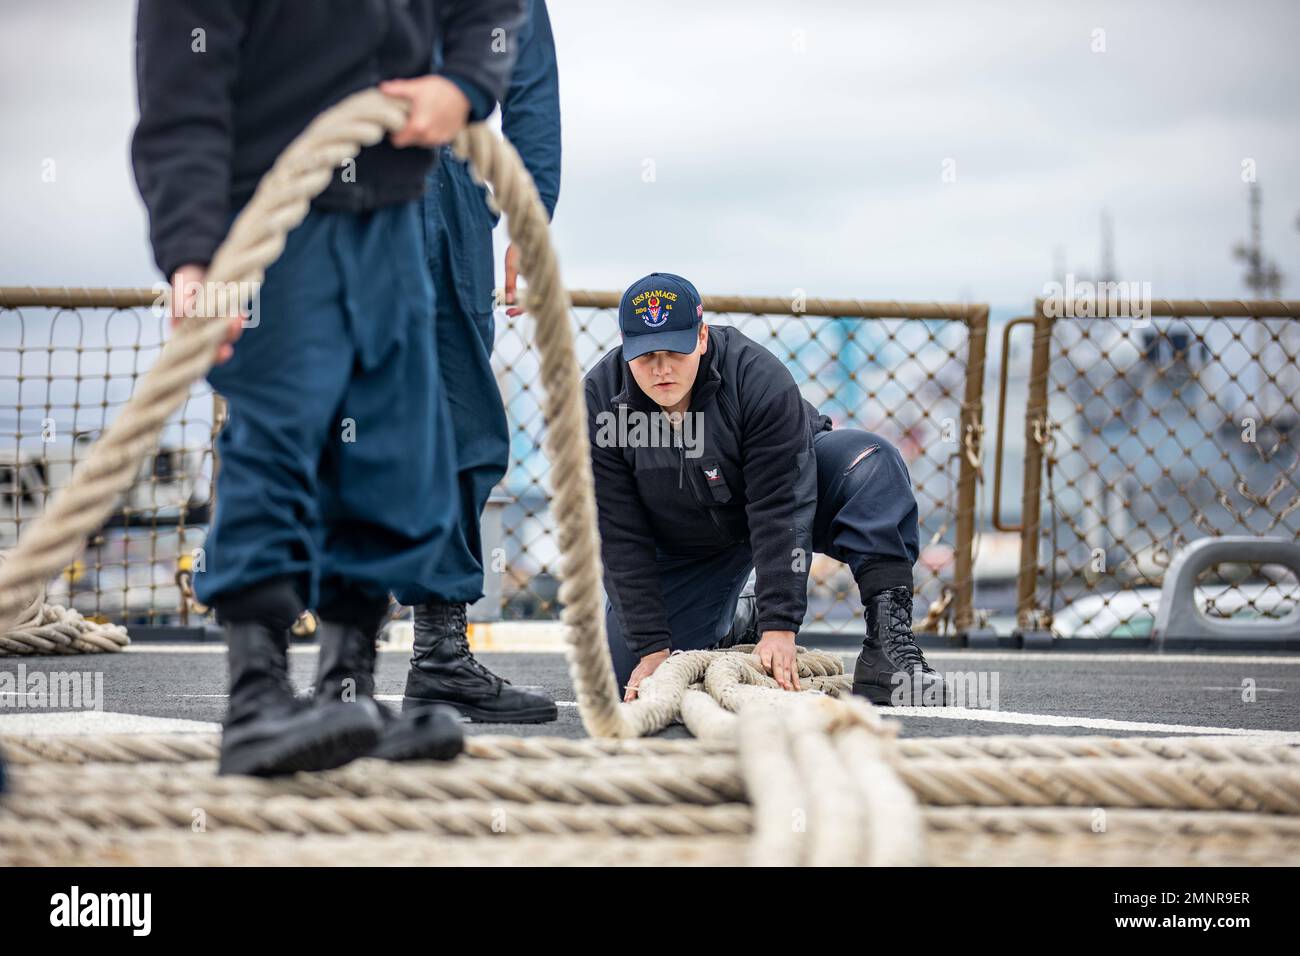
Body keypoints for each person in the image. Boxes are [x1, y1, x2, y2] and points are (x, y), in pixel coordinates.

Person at [132, 0, 526, 775]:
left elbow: (489, 13)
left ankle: (348, 689)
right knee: (277, 434)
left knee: (393, 442)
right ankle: (257, 697)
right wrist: (192, 253)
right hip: (272, 215)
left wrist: (464, 85)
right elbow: (183, 90)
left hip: (391, 212)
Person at [583, 273, 947, 706]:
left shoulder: (756, 377)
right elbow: (619, 532)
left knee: (869, 464)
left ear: (701, 337)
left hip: (784, 498)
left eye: (674, 351)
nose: (661, 369)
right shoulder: (600, 402)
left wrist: (780, 627)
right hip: (686, 543)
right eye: (646, 356)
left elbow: (782, 506)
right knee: (632, 671)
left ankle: (889, 647)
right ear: (626, 348)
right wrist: (652, 648)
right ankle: (741, 614)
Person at [395, 0, 561, 724]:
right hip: (318, 174)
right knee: (310, 415)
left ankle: (437, 655)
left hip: (440, 188)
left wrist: (531, 206)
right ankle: (288, 665)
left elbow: (530, 83)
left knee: (453, 421)